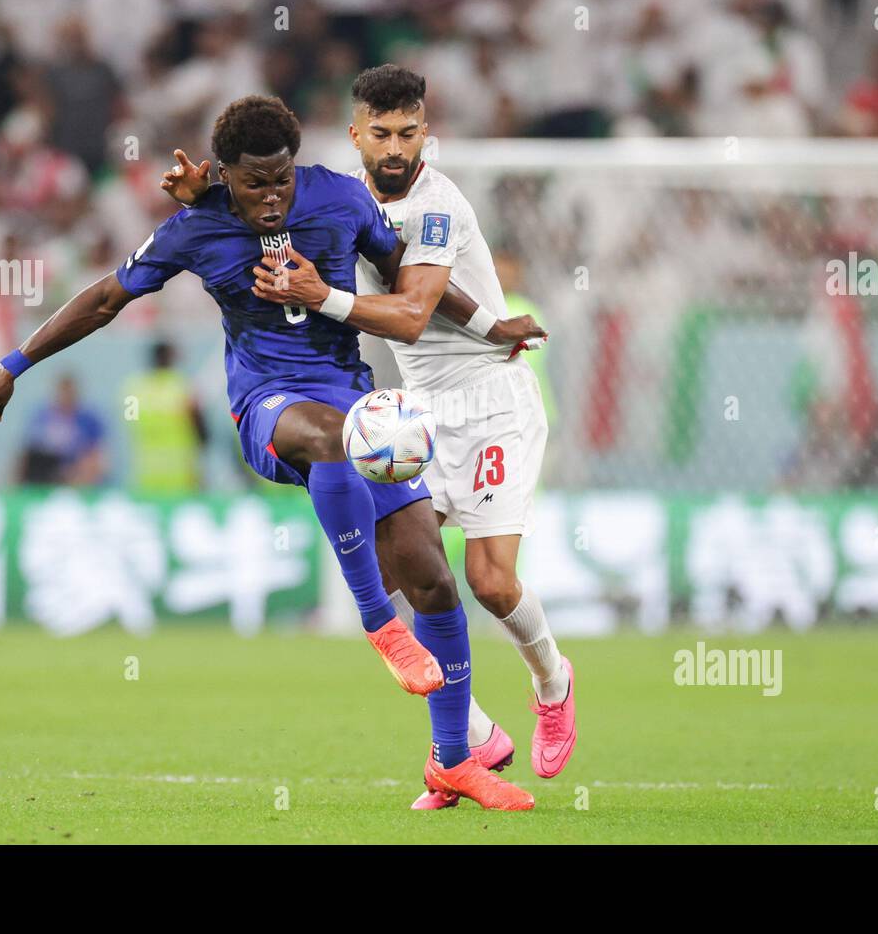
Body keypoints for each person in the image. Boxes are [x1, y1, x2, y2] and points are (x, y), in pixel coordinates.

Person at [0, 95, 541, 810]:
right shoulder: (194, 228)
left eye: (281, 179)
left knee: (434, 579)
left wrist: (489, 324)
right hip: (269, 407)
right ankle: (378, 625)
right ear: (224, 175)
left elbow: (410, 276)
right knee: (332, 439)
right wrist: (10, 366)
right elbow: (108, 297)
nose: (271, 197)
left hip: (355, 398)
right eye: (254, 183)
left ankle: (454, 760)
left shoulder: (338, 198)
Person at [161, 68, 576, 809]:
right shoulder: (332, 195)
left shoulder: (438, 202)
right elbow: (272, 214)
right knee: (408, 569)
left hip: (490, 403)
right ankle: (465, 740)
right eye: (380, 133)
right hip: (416, 409)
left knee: (487, 583)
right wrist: (208, 199)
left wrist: (323, 296)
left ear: (426, 131)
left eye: (408, 132)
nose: (395, 147)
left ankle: (552, 680)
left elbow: (414, 311)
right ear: (356, 135)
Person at [121, 340, 208, 494]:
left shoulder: (133, 390)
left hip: (145, 472)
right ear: (170, 358)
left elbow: (130, 425)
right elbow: (202, 434)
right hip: (181, 473)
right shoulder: (183, 387)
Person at [17, 374, 107, 486]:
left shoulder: (88, 420)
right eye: (63, 393)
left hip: (76, 472)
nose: (66, 398)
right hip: (47, 473)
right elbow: (28, 452)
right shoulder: (41, 417)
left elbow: (97, 455)